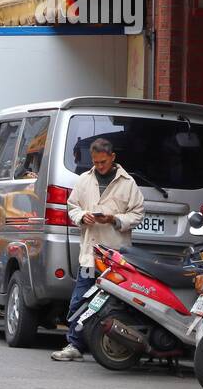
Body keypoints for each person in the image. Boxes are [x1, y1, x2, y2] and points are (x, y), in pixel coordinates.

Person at [50, 138, 144, 361]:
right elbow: (72, 207)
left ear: (112, 158)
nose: (99, 166)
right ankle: (74, 345)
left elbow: (137, 214)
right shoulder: (84, 180)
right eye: (95, 162)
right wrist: (83, 216)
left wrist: (114, 219)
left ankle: (116, 345)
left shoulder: (128, 183)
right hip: (91, 256)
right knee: (80, 300)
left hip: (116, 256)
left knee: (116, 302)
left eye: (103, 162)